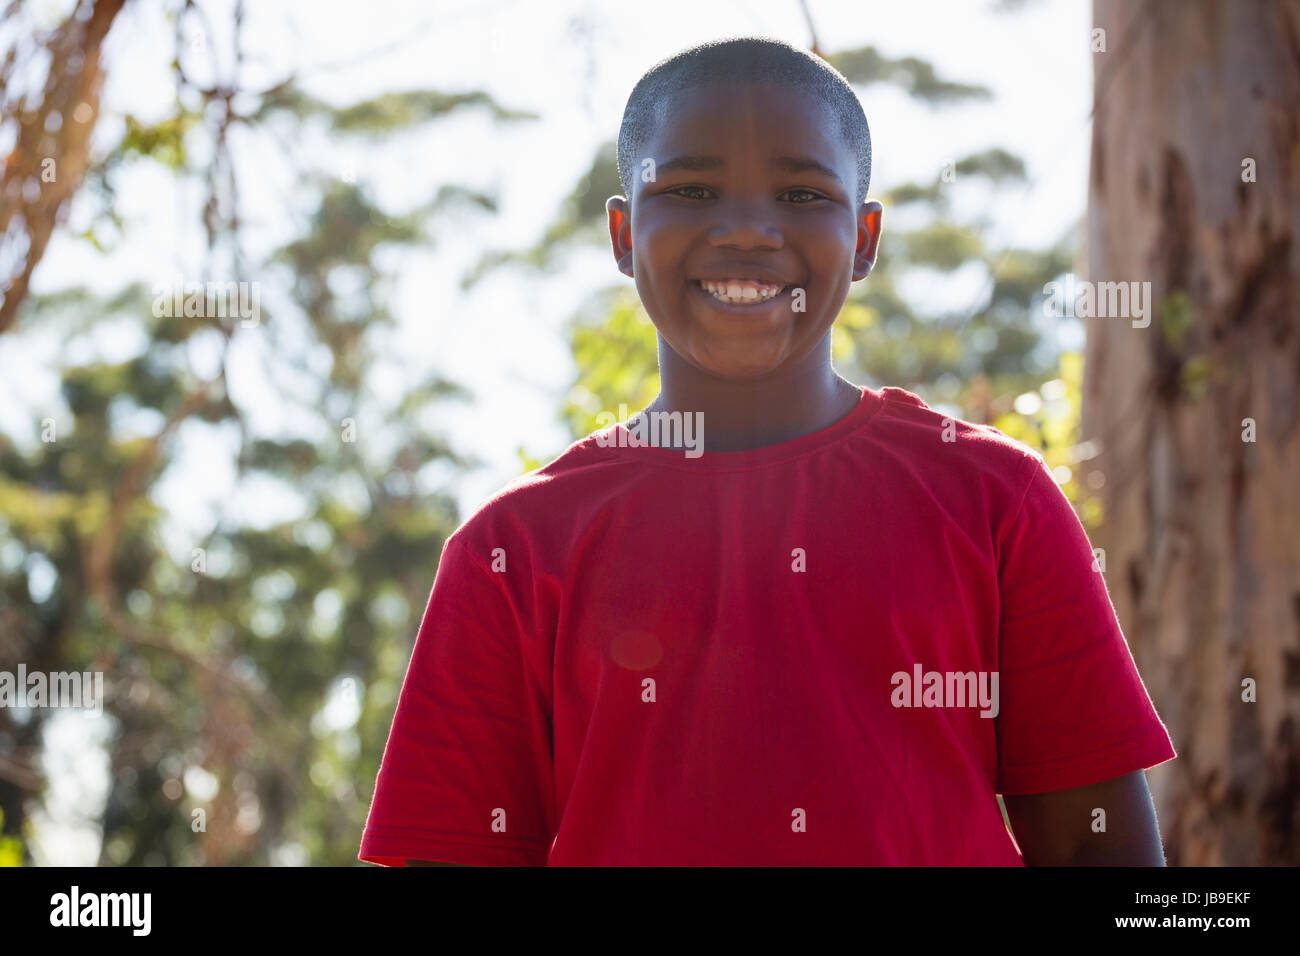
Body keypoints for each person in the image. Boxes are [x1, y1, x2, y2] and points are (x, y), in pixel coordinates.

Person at [358, 36, 1175, 866]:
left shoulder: (997, 497)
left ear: (863, 239)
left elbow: (1092, 843)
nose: (747, 229)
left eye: (800, 192)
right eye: (689, 188)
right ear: (623, 232)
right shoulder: (510, 549)